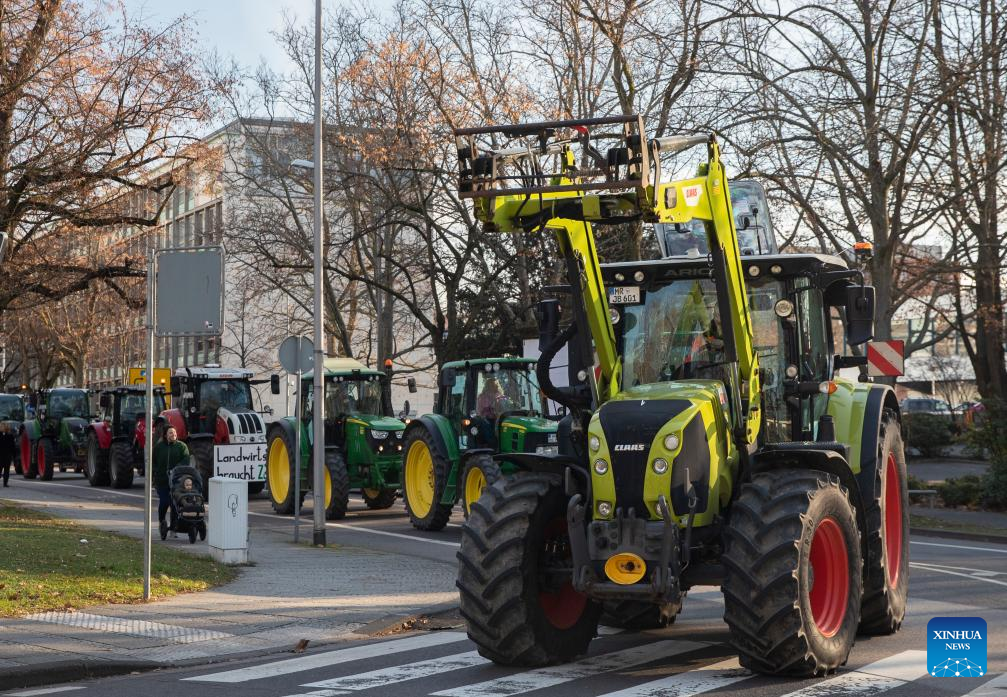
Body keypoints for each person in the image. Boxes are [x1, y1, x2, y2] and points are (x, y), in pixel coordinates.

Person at [153, 426, 189, 538]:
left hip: (176, 481)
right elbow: (153, 461)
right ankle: (162, 522)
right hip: (162, 481)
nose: (173, 434)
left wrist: (176, 468)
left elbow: (186, 460)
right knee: (164, 501)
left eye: (174, 432)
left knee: (175, 504)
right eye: (170, 433)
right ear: (165, 435)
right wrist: (155, 472)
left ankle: (174, 528)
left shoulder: (182, 446)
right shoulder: (159, 447)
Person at [0, 423, 15, 487]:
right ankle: (5, 483)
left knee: (3, 469)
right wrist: (13, 455)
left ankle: (5, 483)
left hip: (2, 455)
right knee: (6, 470)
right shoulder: (10, 436)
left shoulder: (9, 436)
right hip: (7, 455)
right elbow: (13, 447)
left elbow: (12, 446)